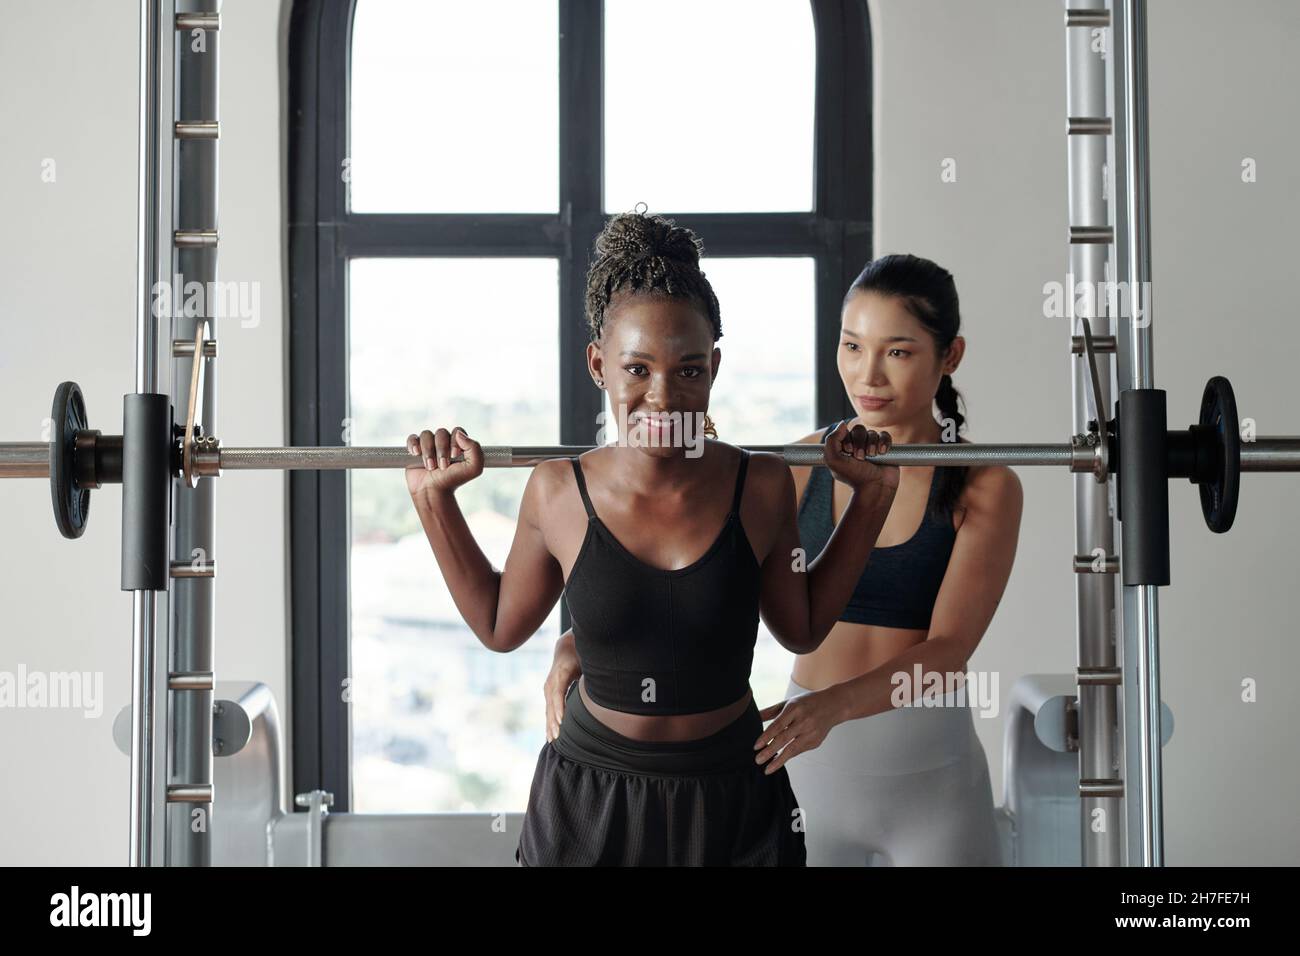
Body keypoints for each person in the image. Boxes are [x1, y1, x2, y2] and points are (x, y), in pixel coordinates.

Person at [405, 210, 899, 866]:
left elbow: (801, 628)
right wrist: (433, 501)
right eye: (637, 370)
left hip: (732, 798)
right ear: (598, 364)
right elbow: (501, 626)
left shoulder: (762, 484)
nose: (663, 396)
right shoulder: (559, 491)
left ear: (714, 367)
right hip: (590, 798)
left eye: (688, 370)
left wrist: (870, 500)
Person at [543, 253, 1022, 866]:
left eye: (897, 352)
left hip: (932, 773)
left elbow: (950, 652)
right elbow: (687, 572)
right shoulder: (797, 468)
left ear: (949, 356)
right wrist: (577, 643)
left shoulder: (986, 483)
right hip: (810, 767)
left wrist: (831, 707)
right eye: (852, 346)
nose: (868, 374)